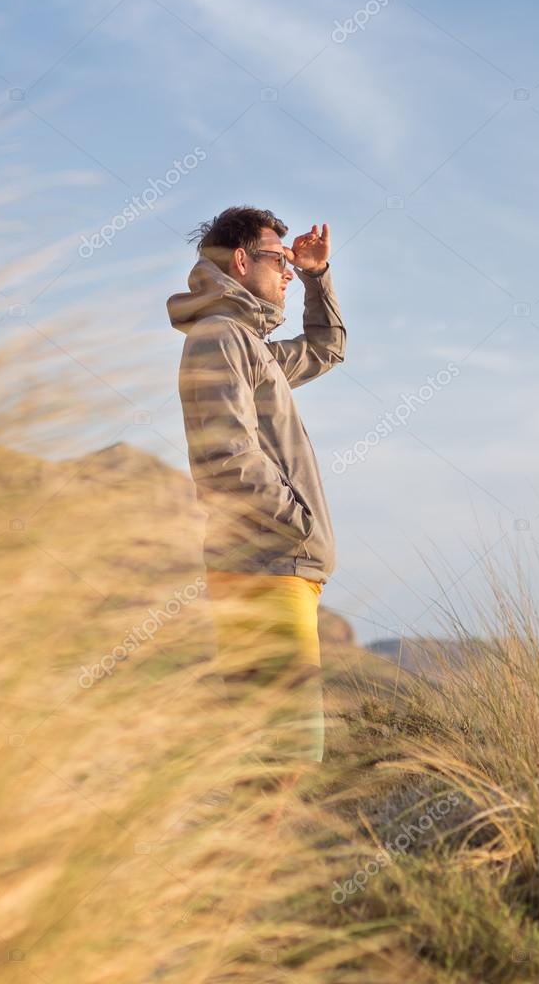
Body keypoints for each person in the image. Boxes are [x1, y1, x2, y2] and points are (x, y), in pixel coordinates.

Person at [167, 206, 345, 765]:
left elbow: (325, 348)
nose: (288, 271)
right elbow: (227, 457)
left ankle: (236, 854)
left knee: (270, 753)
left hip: (271, 569)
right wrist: (298, 523)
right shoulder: (219, 338)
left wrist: (318, 277)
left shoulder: (250, 346)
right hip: (265, 568)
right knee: (288, 756)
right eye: (280, 259)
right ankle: (246, 855)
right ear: (241, 262)